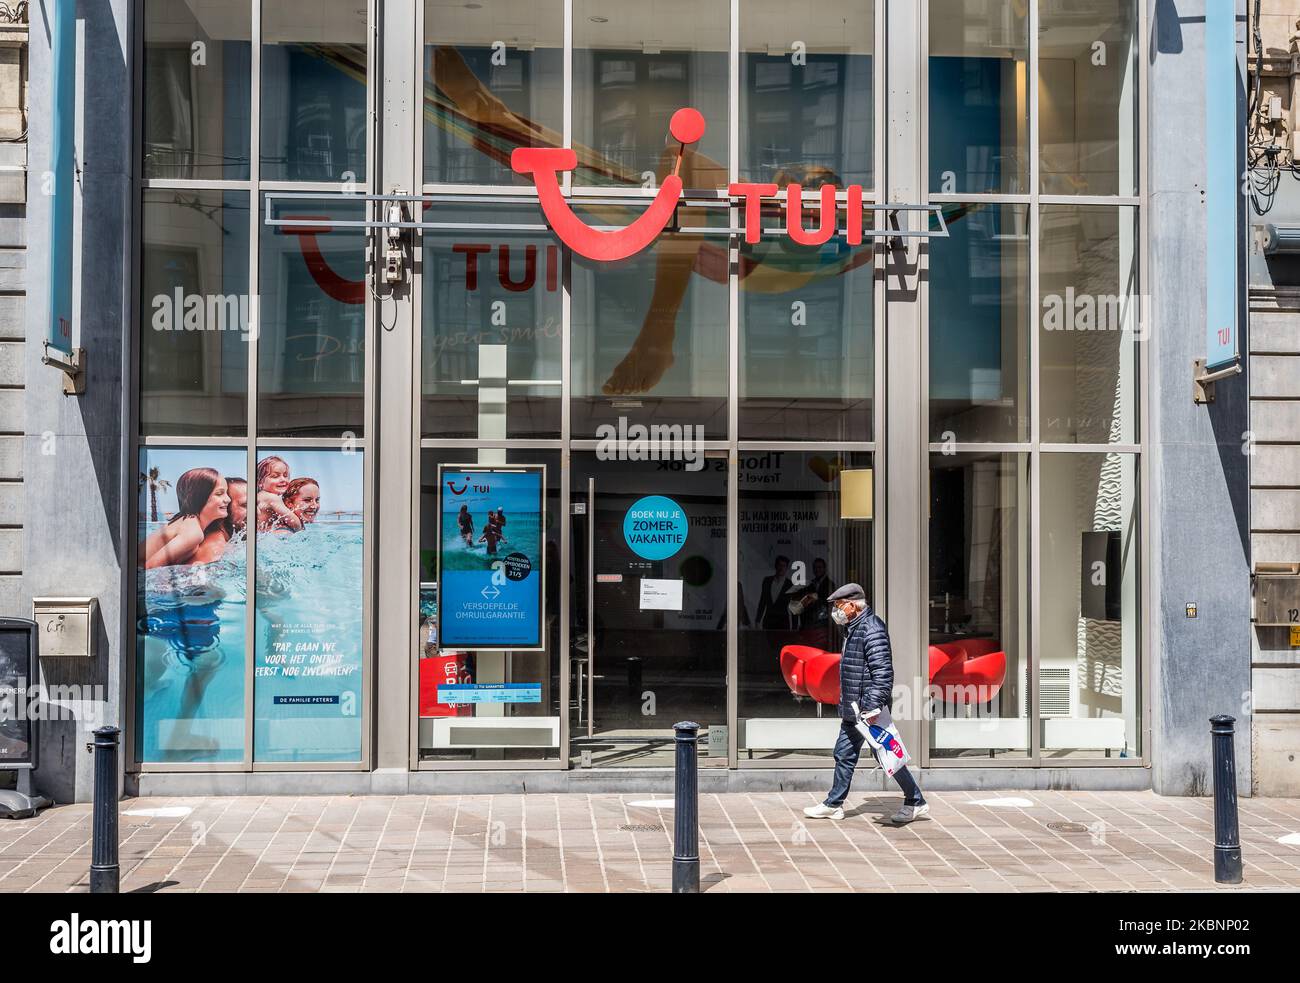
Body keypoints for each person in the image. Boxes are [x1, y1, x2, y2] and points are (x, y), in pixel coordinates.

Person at [804, 583, 929, 825]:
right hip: (855, 708)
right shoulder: (854, 628)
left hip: (868, 709)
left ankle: (915, 801)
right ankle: (834, 804)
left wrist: (872, 707)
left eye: (839, 606)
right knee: (845, 754)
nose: (836, 611)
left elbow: (883, 673)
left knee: (886, 754)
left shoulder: (872, 629)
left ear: (852, 605)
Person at [140, 468, 232, 569]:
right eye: (219, 493)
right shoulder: (193, 533)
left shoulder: (188, 522)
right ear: (199, 497)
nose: (228, 499)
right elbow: (150, 568)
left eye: (226, 493)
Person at [255, 456, 303, 533]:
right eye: (275, 476)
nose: (283, 479)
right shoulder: (271, 498)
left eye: (285, 475)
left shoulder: (260, 496)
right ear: (259, 482)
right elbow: (296, 524)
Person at [754, 556, 796, 630]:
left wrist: (794, 628)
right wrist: (757, 620)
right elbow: (762, 602)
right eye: (779, 565)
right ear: (776, 566)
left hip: (783, 623)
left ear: (786, 568)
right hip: (768, 621)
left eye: (784, 566)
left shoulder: (790, 585)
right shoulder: (767, 581)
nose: (781, 568)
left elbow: (793, 608)